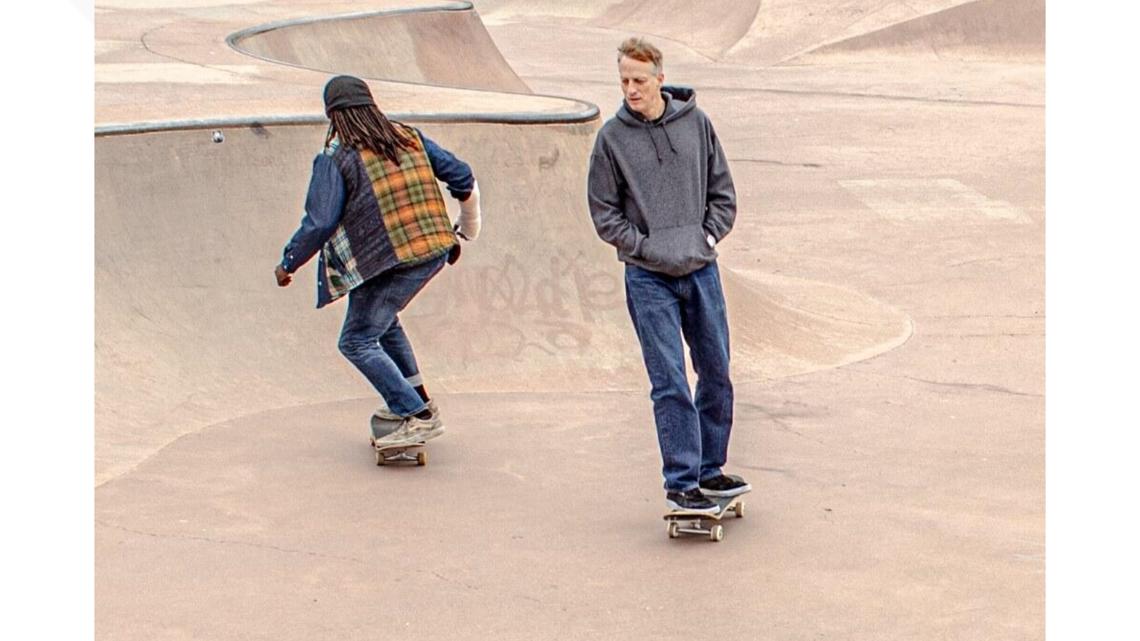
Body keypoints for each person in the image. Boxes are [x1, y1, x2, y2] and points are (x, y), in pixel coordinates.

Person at [586, 38, 749, 513]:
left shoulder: (697, 124)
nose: (630, 90)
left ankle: (710, 471)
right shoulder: (611, 139)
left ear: (660, 78)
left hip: (701, 269)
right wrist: (643, 248)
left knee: (715, 371)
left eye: (639, 80)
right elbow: (603, 212)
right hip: (647, 278)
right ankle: (681, 480)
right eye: (623, 81)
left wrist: (708, 239)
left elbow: (723, 194)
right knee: (670, 381)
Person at [275, 74, 481, 448]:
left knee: (356, 340)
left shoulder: (336, 157)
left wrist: (289, 263)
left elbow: (320, 221)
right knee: (383, 326)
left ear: (334, 117)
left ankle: (413, 415)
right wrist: (469, 225)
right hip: (433, 249)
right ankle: (420, 402)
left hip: (390, 259)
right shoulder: (409, 137)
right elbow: (462, 176)